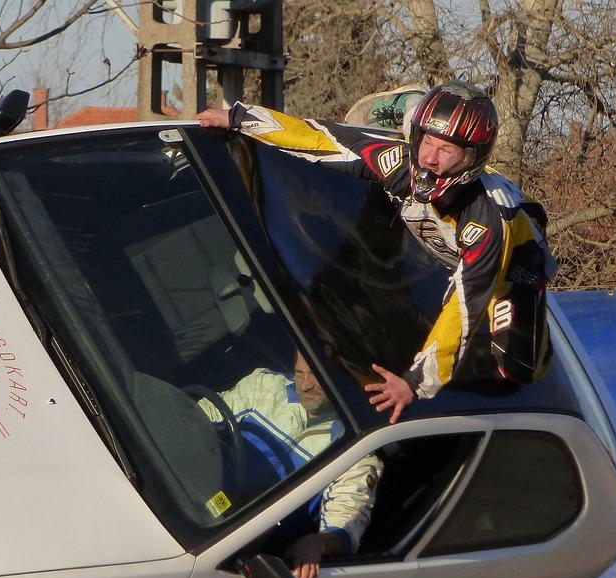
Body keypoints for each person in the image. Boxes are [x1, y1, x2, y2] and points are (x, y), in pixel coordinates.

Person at [196, 81, 555, 423]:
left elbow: (465, 306)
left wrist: (415, 383)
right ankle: (407, 108)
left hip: (517, 260)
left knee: (520, 367)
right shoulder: (401, 159)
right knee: (374, 178)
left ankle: (415, 109)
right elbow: (322, 138)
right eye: (427, 141)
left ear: (471, 160)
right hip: (440, 224)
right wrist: (241, 119)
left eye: (447, 151)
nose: (430, 158)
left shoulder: (488, 223)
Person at [201, 352, 382, 578]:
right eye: (299, 372)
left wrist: (318, 543)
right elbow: (199, 419)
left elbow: (348, 522)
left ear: (343, 378)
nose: (305, 385)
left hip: (233, 552)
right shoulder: (264, 385)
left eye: (317, 376)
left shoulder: (357, 453)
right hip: (189, 502)